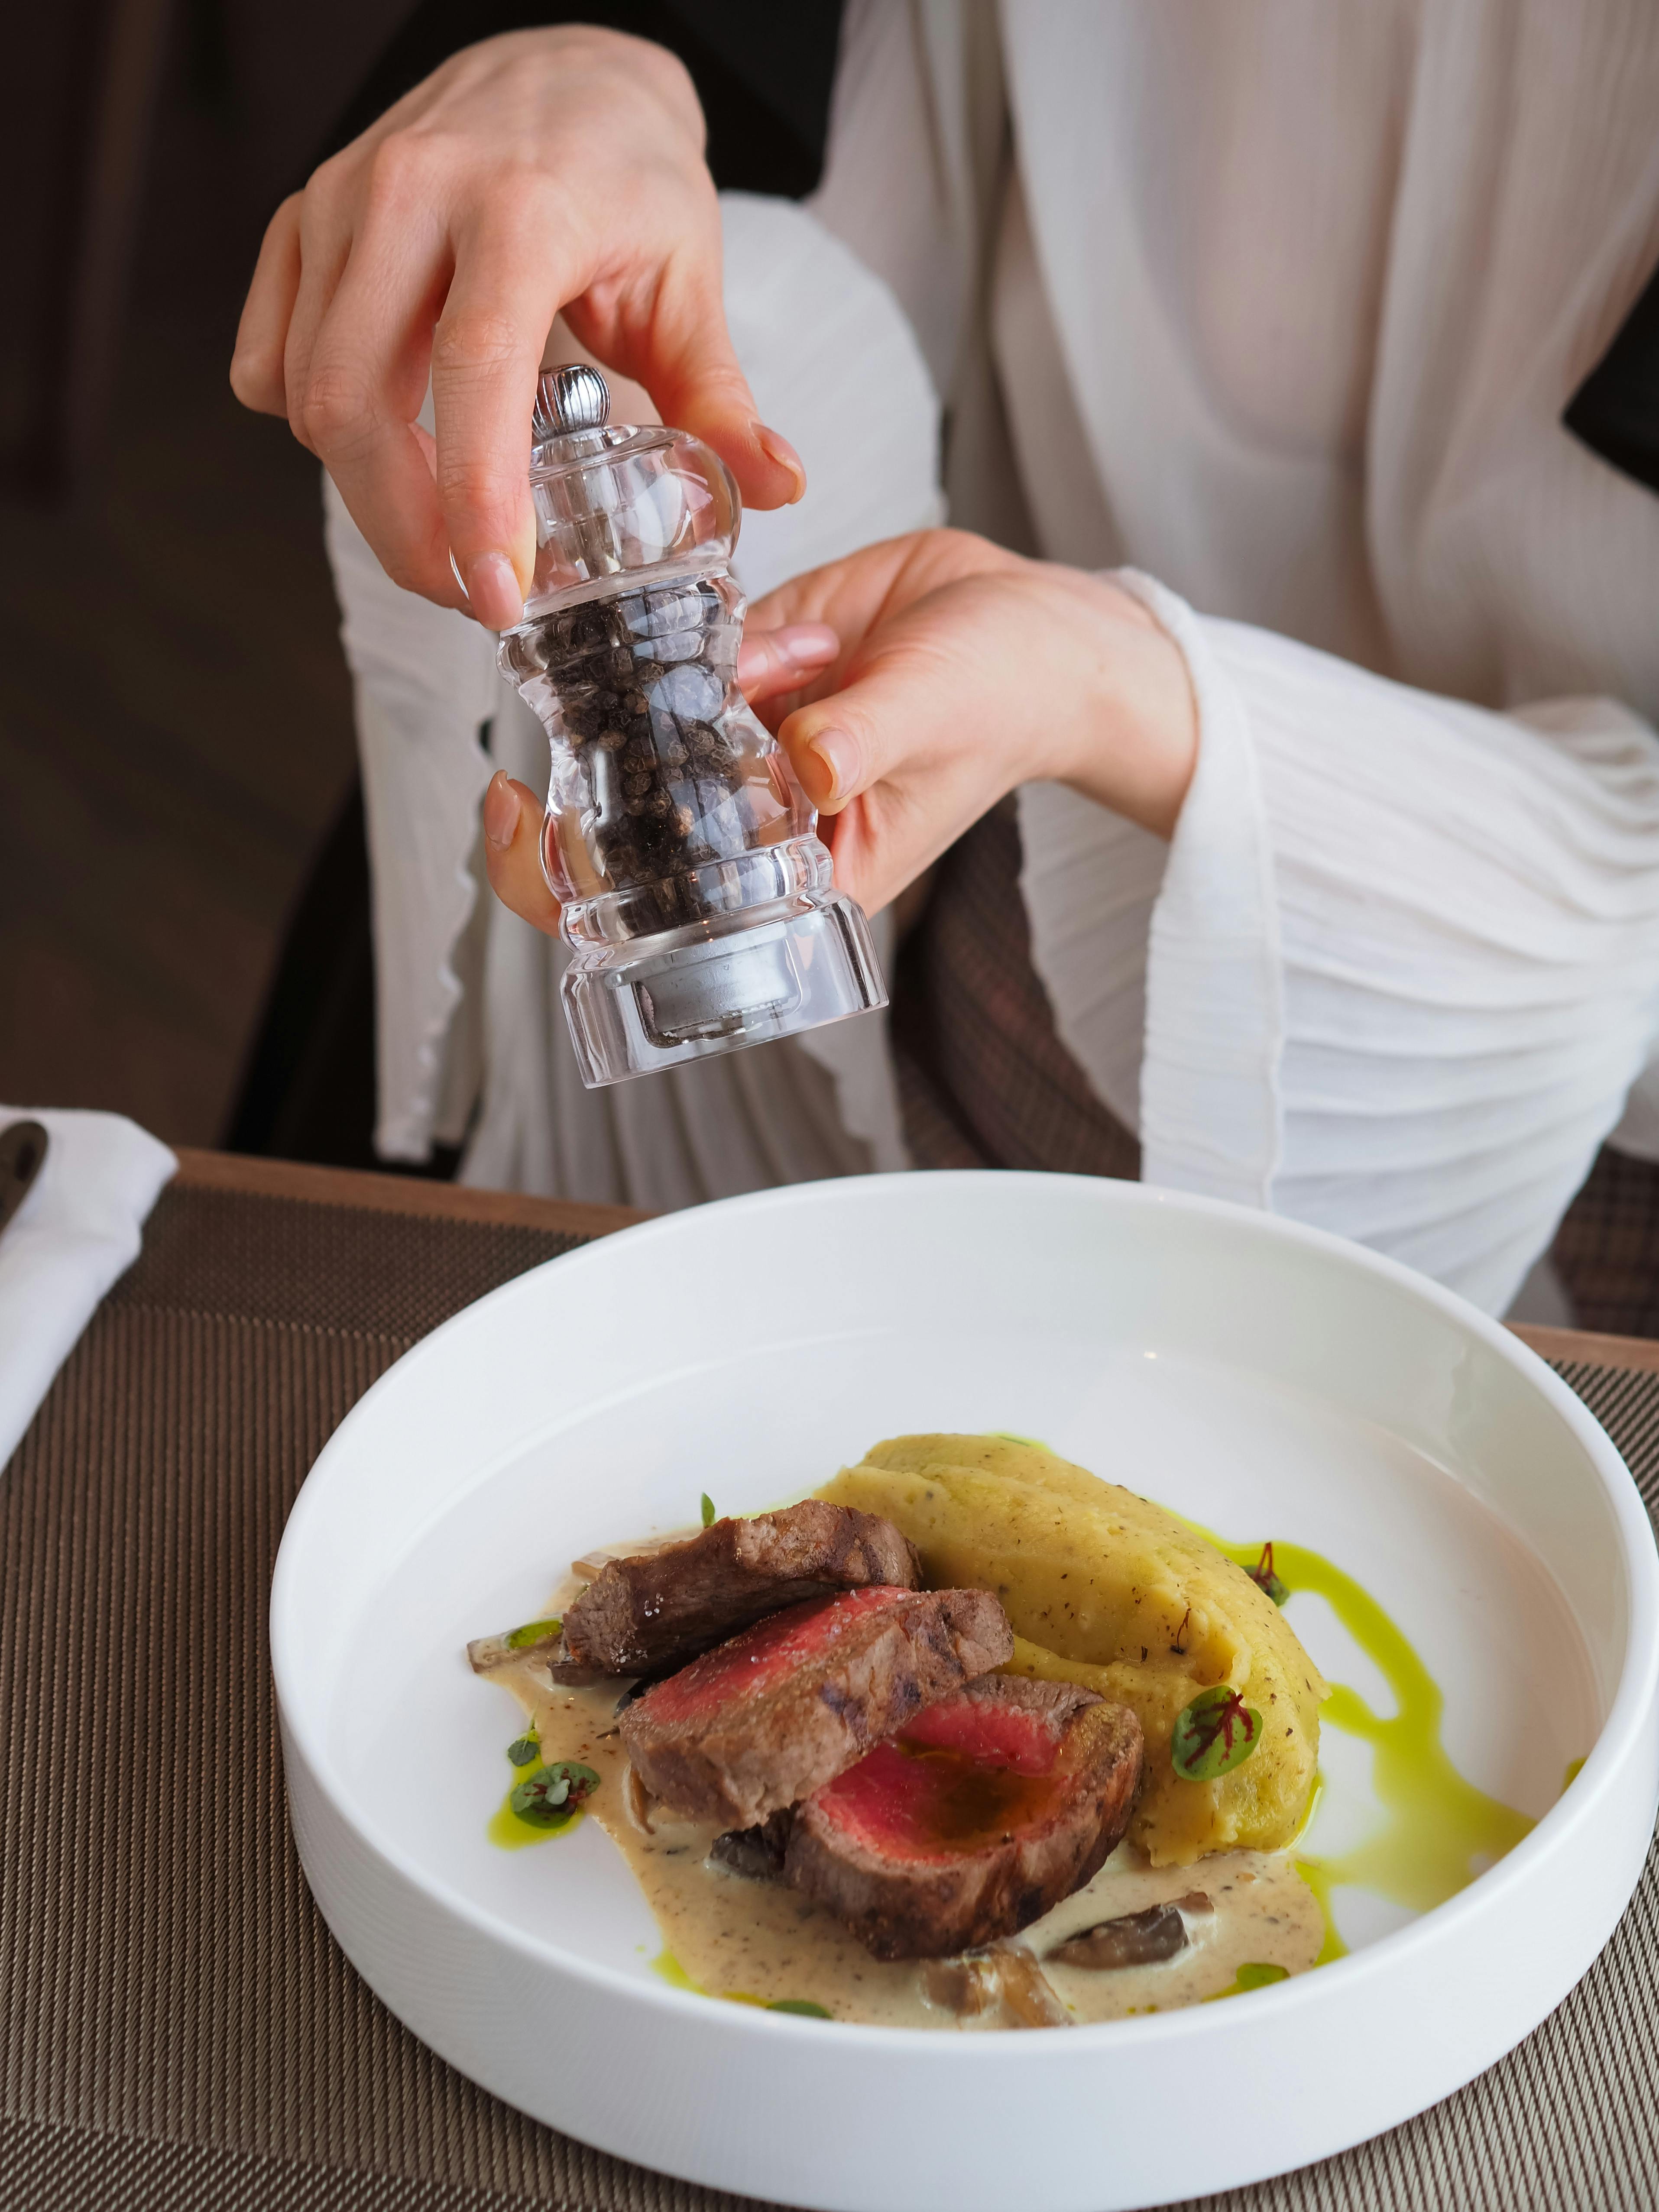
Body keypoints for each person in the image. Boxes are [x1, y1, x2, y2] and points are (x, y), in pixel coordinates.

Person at [230, 3, 1659, 1319]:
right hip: (926, 873)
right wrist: (616, 90)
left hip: (1522, 1093)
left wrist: (1119, 683)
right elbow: (817, 309)